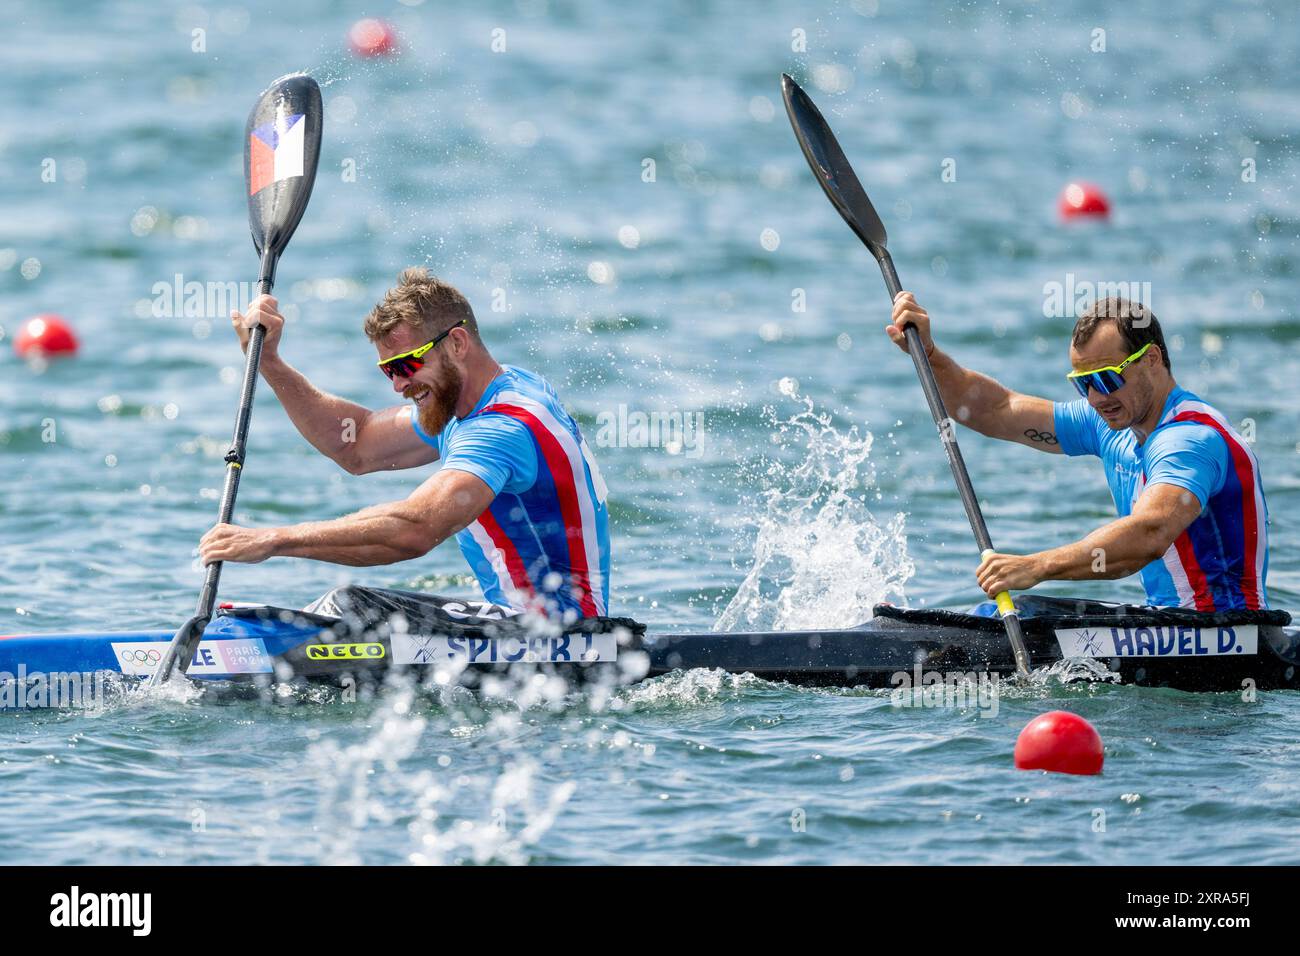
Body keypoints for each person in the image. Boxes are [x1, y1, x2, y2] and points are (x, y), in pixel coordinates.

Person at [198, 267, 610, 620]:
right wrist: (269, 361)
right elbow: (355, 442)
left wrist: (273, 540)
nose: (398, 385)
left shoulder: (502, 429)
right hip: (529, 630)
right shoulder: (480, 397)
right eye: (387, 371)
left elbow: (415, 529)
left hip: (562, 638)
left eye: (406, 365)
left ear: (457, 344)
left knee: (350, 606)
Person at [887, 292, 1268, 611]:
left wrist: (1036, 566)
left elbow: (1150, 532)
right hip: (1167, 624)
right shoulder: (1110, 424)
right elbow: (995, 410)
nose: (1097, 397)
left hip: (1226, 632)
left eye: (1107, 378)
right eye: (1083, 384)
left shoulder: (1188, 440)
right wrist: (930, 354)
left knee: (1019, 615)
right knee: (1003, 615)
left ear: (1151, 360)